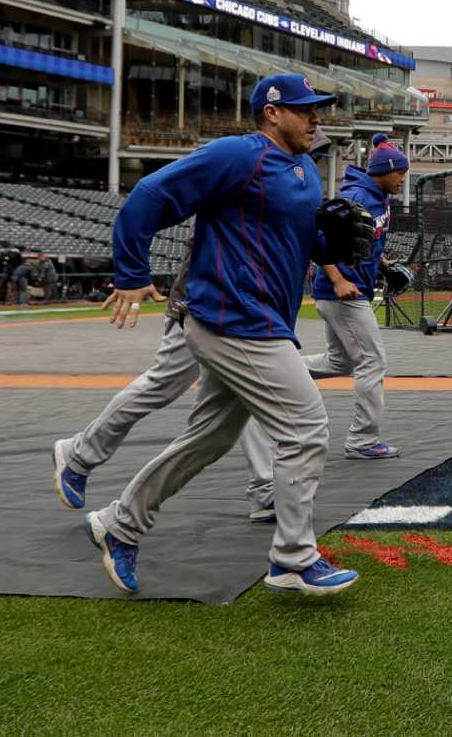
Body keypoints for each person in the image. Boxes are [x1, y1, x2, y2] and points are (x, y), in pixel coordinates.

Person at [86, 72, 371, 597]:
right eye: (306, 109)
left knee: (209, 438)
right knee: (306, 426)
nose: (316, 118)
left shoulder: (306, 167)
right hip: (231, 317)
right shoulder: (238, 155)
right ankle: (292, 557)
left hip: (264, 320)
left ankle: (119, 525)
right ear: (271, 112)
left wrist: (332, 250)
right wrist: (130, 273)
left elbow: (303, 242)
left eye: (318, 108)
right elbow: (150, 194)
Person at [53, 245, 279, 524]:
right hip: (202, 303)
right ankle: (79, 454)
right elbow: (150, 210)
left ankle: (265, 489)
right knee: (165, 382)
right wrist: (132, 274)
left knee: (244, 392)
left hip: (243, 307)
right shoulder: (230, 202)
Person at [305, 135, 405, 458]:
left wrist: (383, 262)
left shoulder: (380, 196)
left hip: (348, 288)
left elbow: (362, 240)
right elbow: (318, 237)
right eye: (400, 172)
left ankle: (276, 370)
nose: (403, 178)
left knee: (339, 361)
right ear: (385, 170)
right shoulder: (356, 195)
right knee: (372, 362)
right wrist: (336, 279)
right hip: (343, 292)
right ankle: (362, 441)